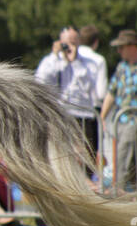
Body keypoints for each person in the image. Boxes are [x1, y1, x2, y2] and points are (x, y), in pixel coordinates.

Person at [34, 26, 102, 170]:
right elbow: (41, 80)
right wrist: (57, 57)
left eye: (73, 42)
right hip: (60, 117)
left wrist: (74, 62)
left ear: (79, 42)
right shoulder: (51, 60)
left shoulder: (88, 63)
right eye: (67, 42)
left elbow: (88, 86)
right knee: (61, 160)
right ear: (60, 42)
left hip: (82, 117)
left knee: (85, 161)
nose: (70, 46)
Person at [100, 29, 137, 192]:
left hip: (135, 120)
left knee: (124, 156)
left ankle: (117, 192)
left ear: (133, 47)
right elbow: (112, 92)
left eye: (122, 47)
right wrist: (103, 117)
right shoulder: (121, 67)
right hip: (118, 120)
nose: (119, 51)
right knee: (131, 162)